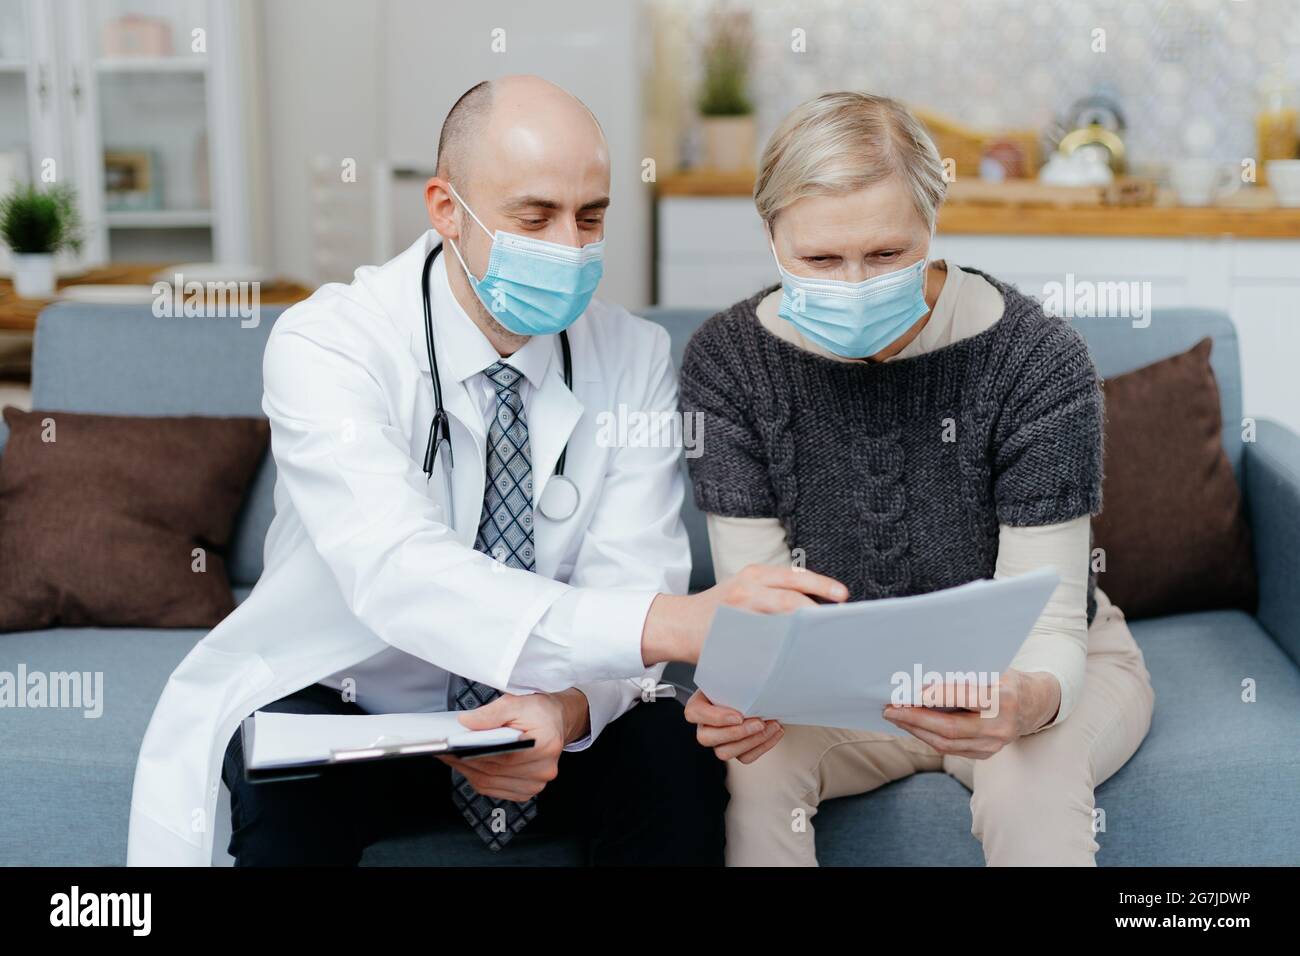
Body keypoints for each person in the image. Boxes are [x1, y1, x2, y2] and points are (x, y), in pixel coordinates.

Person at [126, 76, 845, 867]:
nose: (571, 247)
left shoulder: (632, 355)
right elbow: (396, 570)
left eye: (592, 216)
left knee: (670, 762)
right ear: (445, 210)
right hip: (357, 707)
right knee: (283, 792)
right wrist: (675, 624)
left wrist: (563, 710)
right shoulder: (331, 343)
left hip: (551, 719)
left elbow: (630, 569)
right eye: (534, 217)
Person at [679, 92, 1155, 866]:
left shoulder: (1036, 362)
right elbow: (760, 606)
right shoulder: (730, 365)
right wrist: (748, 696)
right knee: (757, 776)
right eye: (821, 260)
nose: (857, 284)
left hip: (1037, 667)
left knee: (1027, 786)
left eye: (888, 254)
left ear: (932, 223)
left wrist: (1024, 702)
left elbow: (1052, 627)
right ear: (771, 237)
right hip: (841, 688)